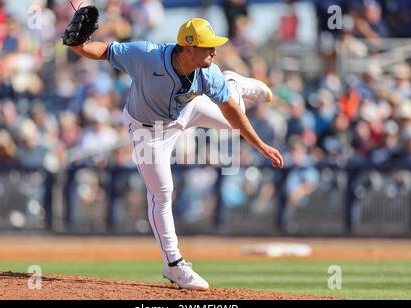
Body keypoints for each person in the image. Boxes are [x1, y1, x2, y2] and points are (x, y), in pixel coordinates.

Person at [67, 16, 284, 290]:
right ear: (188, 48)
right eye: (207, 47)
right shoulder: (146, 55)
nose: (214, 51)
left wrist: (259, 144)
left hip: (186, 111)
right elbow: (104, 51)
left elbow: (231, 112)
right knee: (162, 193)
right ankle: (173, 265)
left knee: (233, 109)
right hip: (148, 132)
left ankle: (235, 84)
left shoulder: (208, 70)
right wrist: (78, 46)